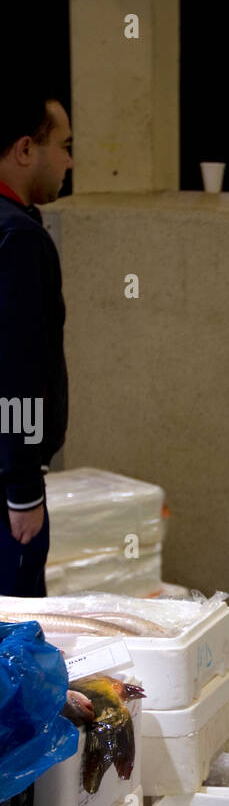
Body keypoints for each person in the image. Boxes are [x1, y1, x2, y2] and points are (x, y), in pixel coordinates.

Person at [0, 87, 72, 596]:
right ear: (26, 150)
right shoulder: (18, 238)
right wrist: (23, 488)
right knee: (14, 639)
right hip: (5, 483)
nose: (68, 161)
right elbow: (17, 374)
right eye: (64, 145)